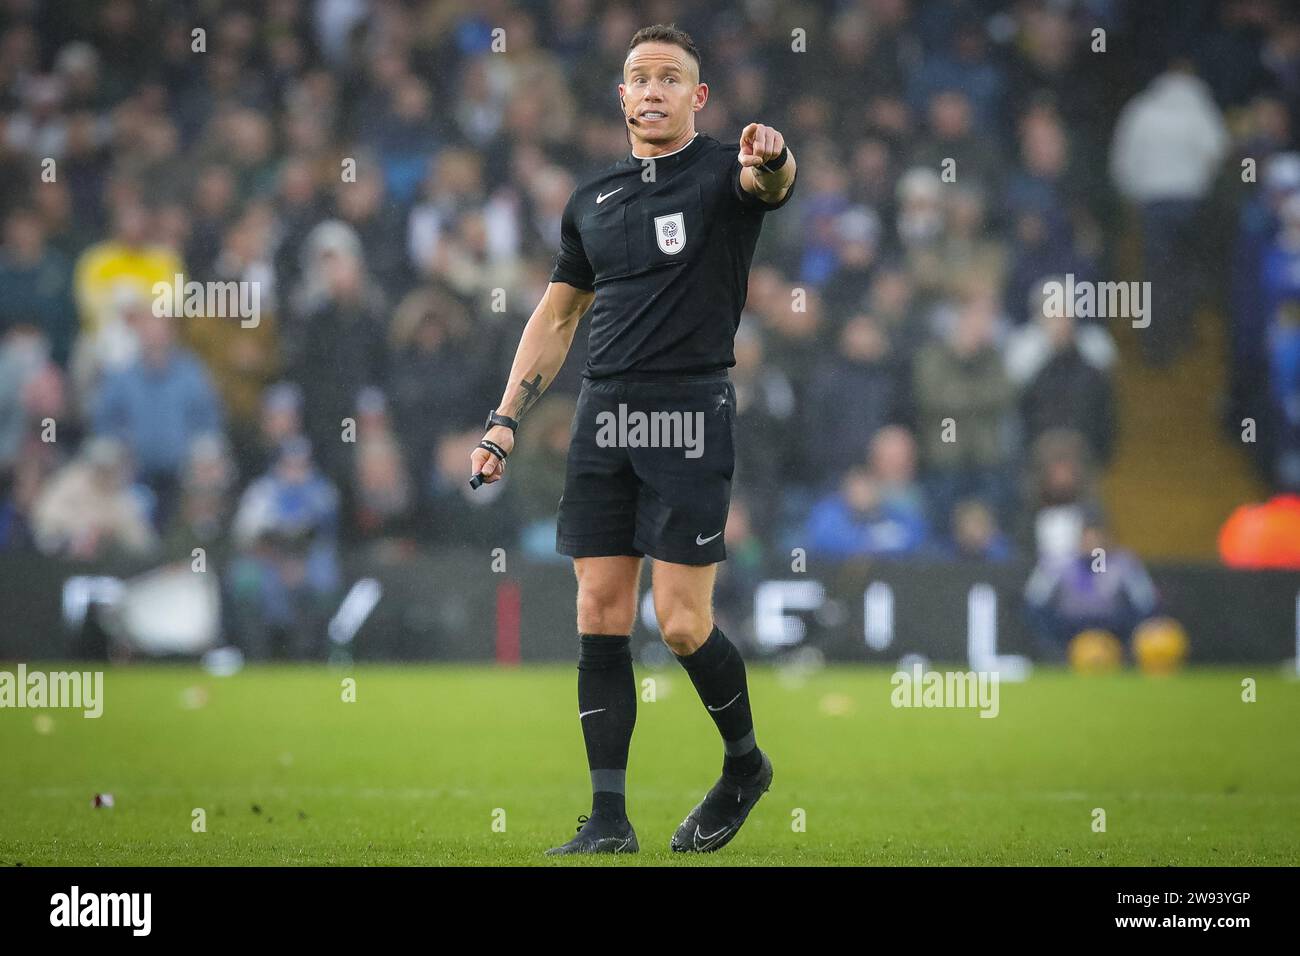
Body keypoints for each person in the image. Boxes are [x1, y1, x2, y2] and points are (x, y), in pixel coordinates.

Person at [469, 24, 796, 856]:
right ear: (621, 97)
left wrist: (775, 155)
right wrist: (503, 421)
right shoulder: (593, 199)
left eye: (669, 78)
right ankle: (608, 820)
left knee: (681, 623)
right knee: (599, 612)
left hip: (688, 413)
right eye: (638, 79)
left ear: (698, 96)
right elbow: (556, 317)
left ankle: (744, 766)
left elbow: (774, 183)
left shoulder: (728, 170)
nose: (652, 91)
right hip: (603, 417)